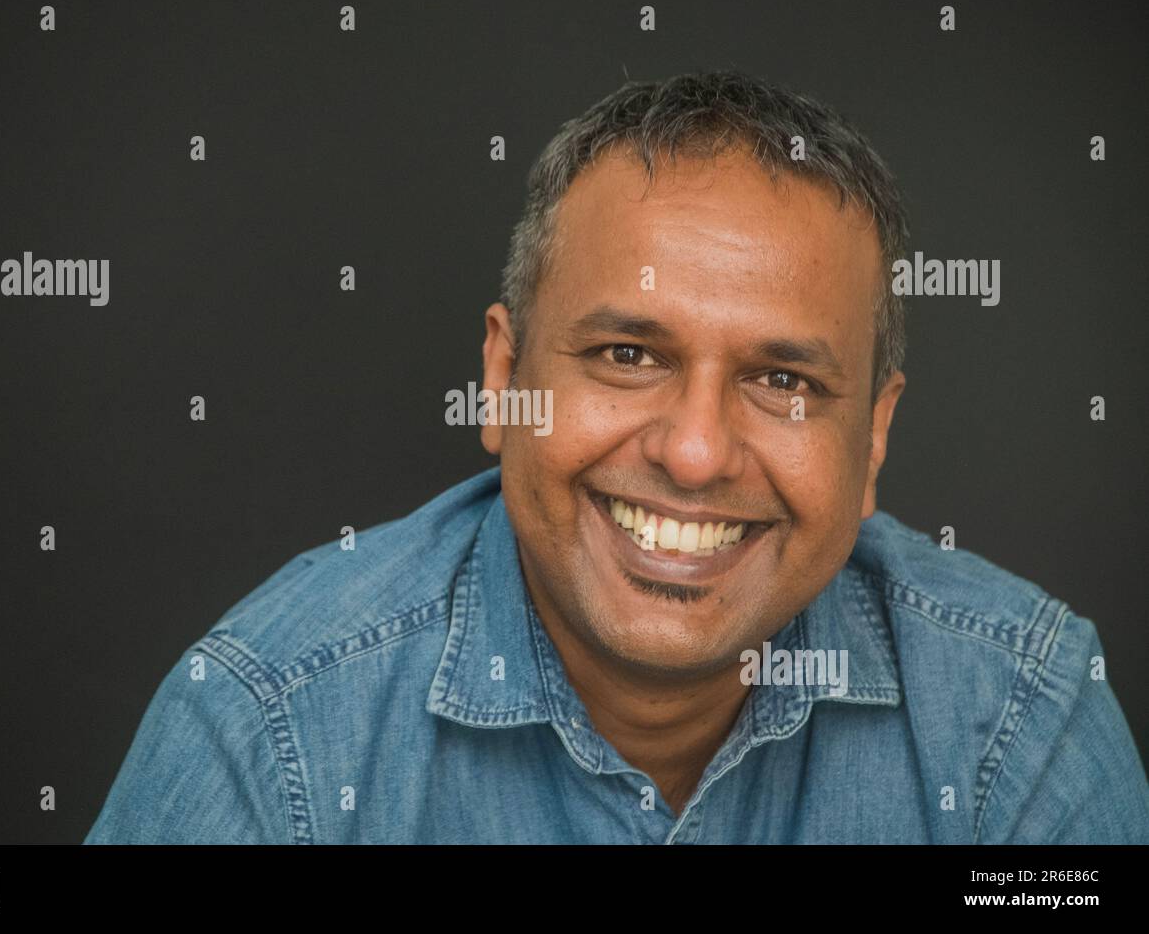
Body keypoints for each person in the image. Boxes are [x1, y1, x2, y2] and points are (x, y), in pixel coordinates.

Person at [85, 69, 1149, 843]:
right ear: (501, 381)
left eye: (782, 380)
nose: (693, 453)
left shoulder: (1020, 719)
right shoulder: (269, 726)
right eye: (627, 353)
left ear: (870, 437)